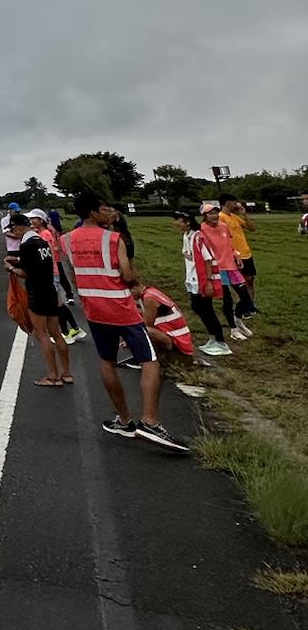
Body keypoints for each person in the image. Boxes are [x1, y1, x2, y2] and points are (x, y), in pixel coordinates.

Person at [65, 194, 188, 452]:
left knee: (107, 362)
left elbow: (75, 275)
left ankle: (124, 420)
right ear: (92, 211)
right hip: (121, 308)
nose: (109, 213)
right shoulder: (113, 239)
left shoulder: (65, 240)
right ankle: (150, 422)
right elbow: (129, 275)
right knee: (149, 361)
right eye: (104, 209)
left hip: (94, 309)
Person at [10, 215, 72, 387]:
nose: (13, 233)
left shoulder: (26, 245)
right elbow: (38, 263)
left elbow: (26, 273)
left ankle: (53, 375)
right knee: (56, 333)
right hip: (50, 289)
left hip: (36, 292)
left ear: (19, 227)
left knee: (41, 334)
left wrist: (12, 268)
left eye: (13, 229)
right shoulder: (41, 241)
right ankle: (66, 373)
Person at [174, 209, 233, 353]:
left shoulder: (198, 237)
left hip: (201, 280)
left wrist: (208, 281)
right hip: (193, 279)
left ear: (187, 222)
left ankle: (220, 341)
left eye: (178, 221)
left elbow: (208, 260)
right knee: (198, 307)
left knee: (206, 309)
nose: (176, 223)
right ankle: (213, 337)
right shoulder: (187, 236)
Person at [27, 207, 82, 342]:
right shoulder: (41, 233)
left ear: (40, 220)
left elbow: (47, 254)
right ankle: (72, 329)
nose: (31, 221)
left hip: (50, 272)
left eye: (33, 218)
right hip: (50, 271)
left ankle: (67, 331)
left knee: (56, 304)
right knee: (57, 303)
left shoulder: (45, 234)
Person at [198, 201, 252, 335]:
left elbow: (228, 243)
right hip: (217, 269)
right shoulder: (202, 230)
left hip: (231, 266)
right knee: (227, 301)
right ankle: (233, 329)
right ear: (204, 215)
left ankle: (238, 320)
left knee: (245, 298)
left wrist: (235, 255)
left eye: (215, 212)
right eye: (210, 213)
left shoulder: (223, 226)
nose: (214, 215)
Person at [221, 199, 258, 312]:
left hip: (246, 253)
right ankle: (242, 307)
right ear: (227, 202)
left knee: (249, 281)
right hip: (234, 255)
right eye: (234, 202)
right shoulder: (220, 217)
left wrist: (244, 214)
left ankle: (251, 306)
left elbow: (252, 228)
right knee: (239, 283)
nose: (236, 205)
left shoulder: (234, 216)